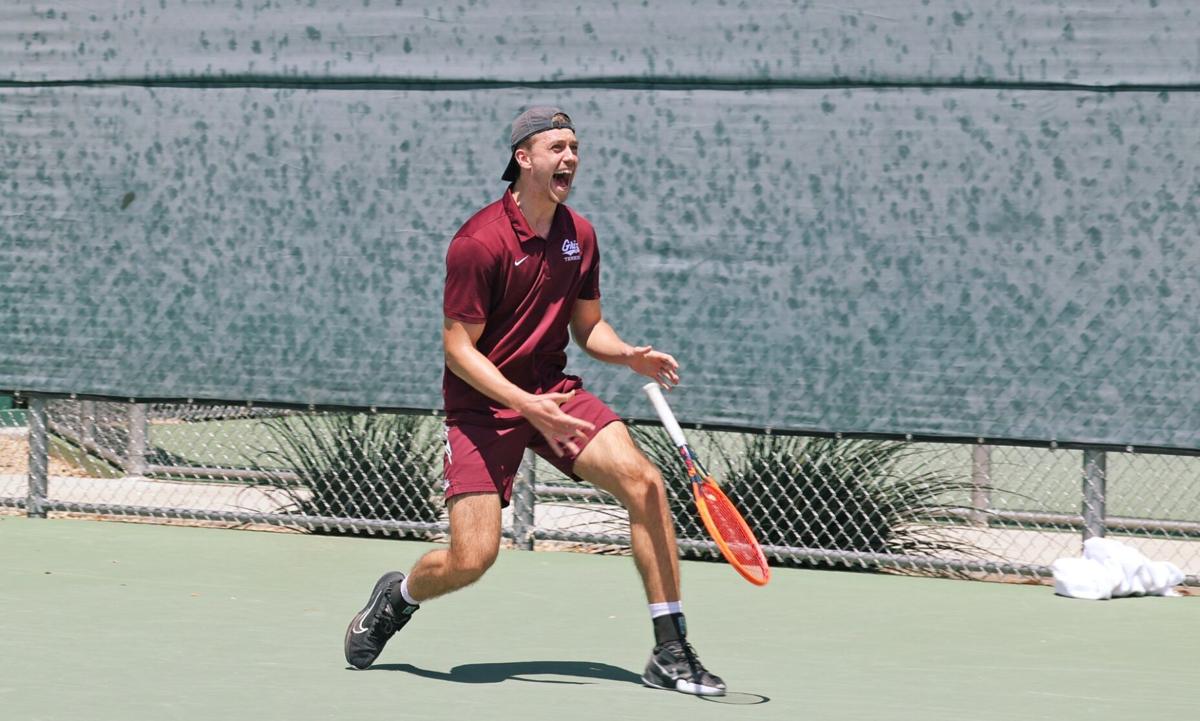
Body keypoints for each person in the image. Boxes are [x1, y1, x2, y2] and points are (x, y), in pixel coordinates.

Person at [344, 106, 726, 696]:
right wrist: (523, 402)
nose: (569, 157)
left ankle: (670, 650)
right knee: (472, 558)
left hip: (553, 395)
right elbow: (458, 350)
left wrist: (627, 355)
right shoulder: (478, 242)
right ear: (524, 159)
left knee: (644, 483)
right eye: (556, 147)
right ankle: (398, 598)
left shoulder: (581, 236)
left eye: (574, 147)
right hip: (482, 409)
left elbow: (587, 327)